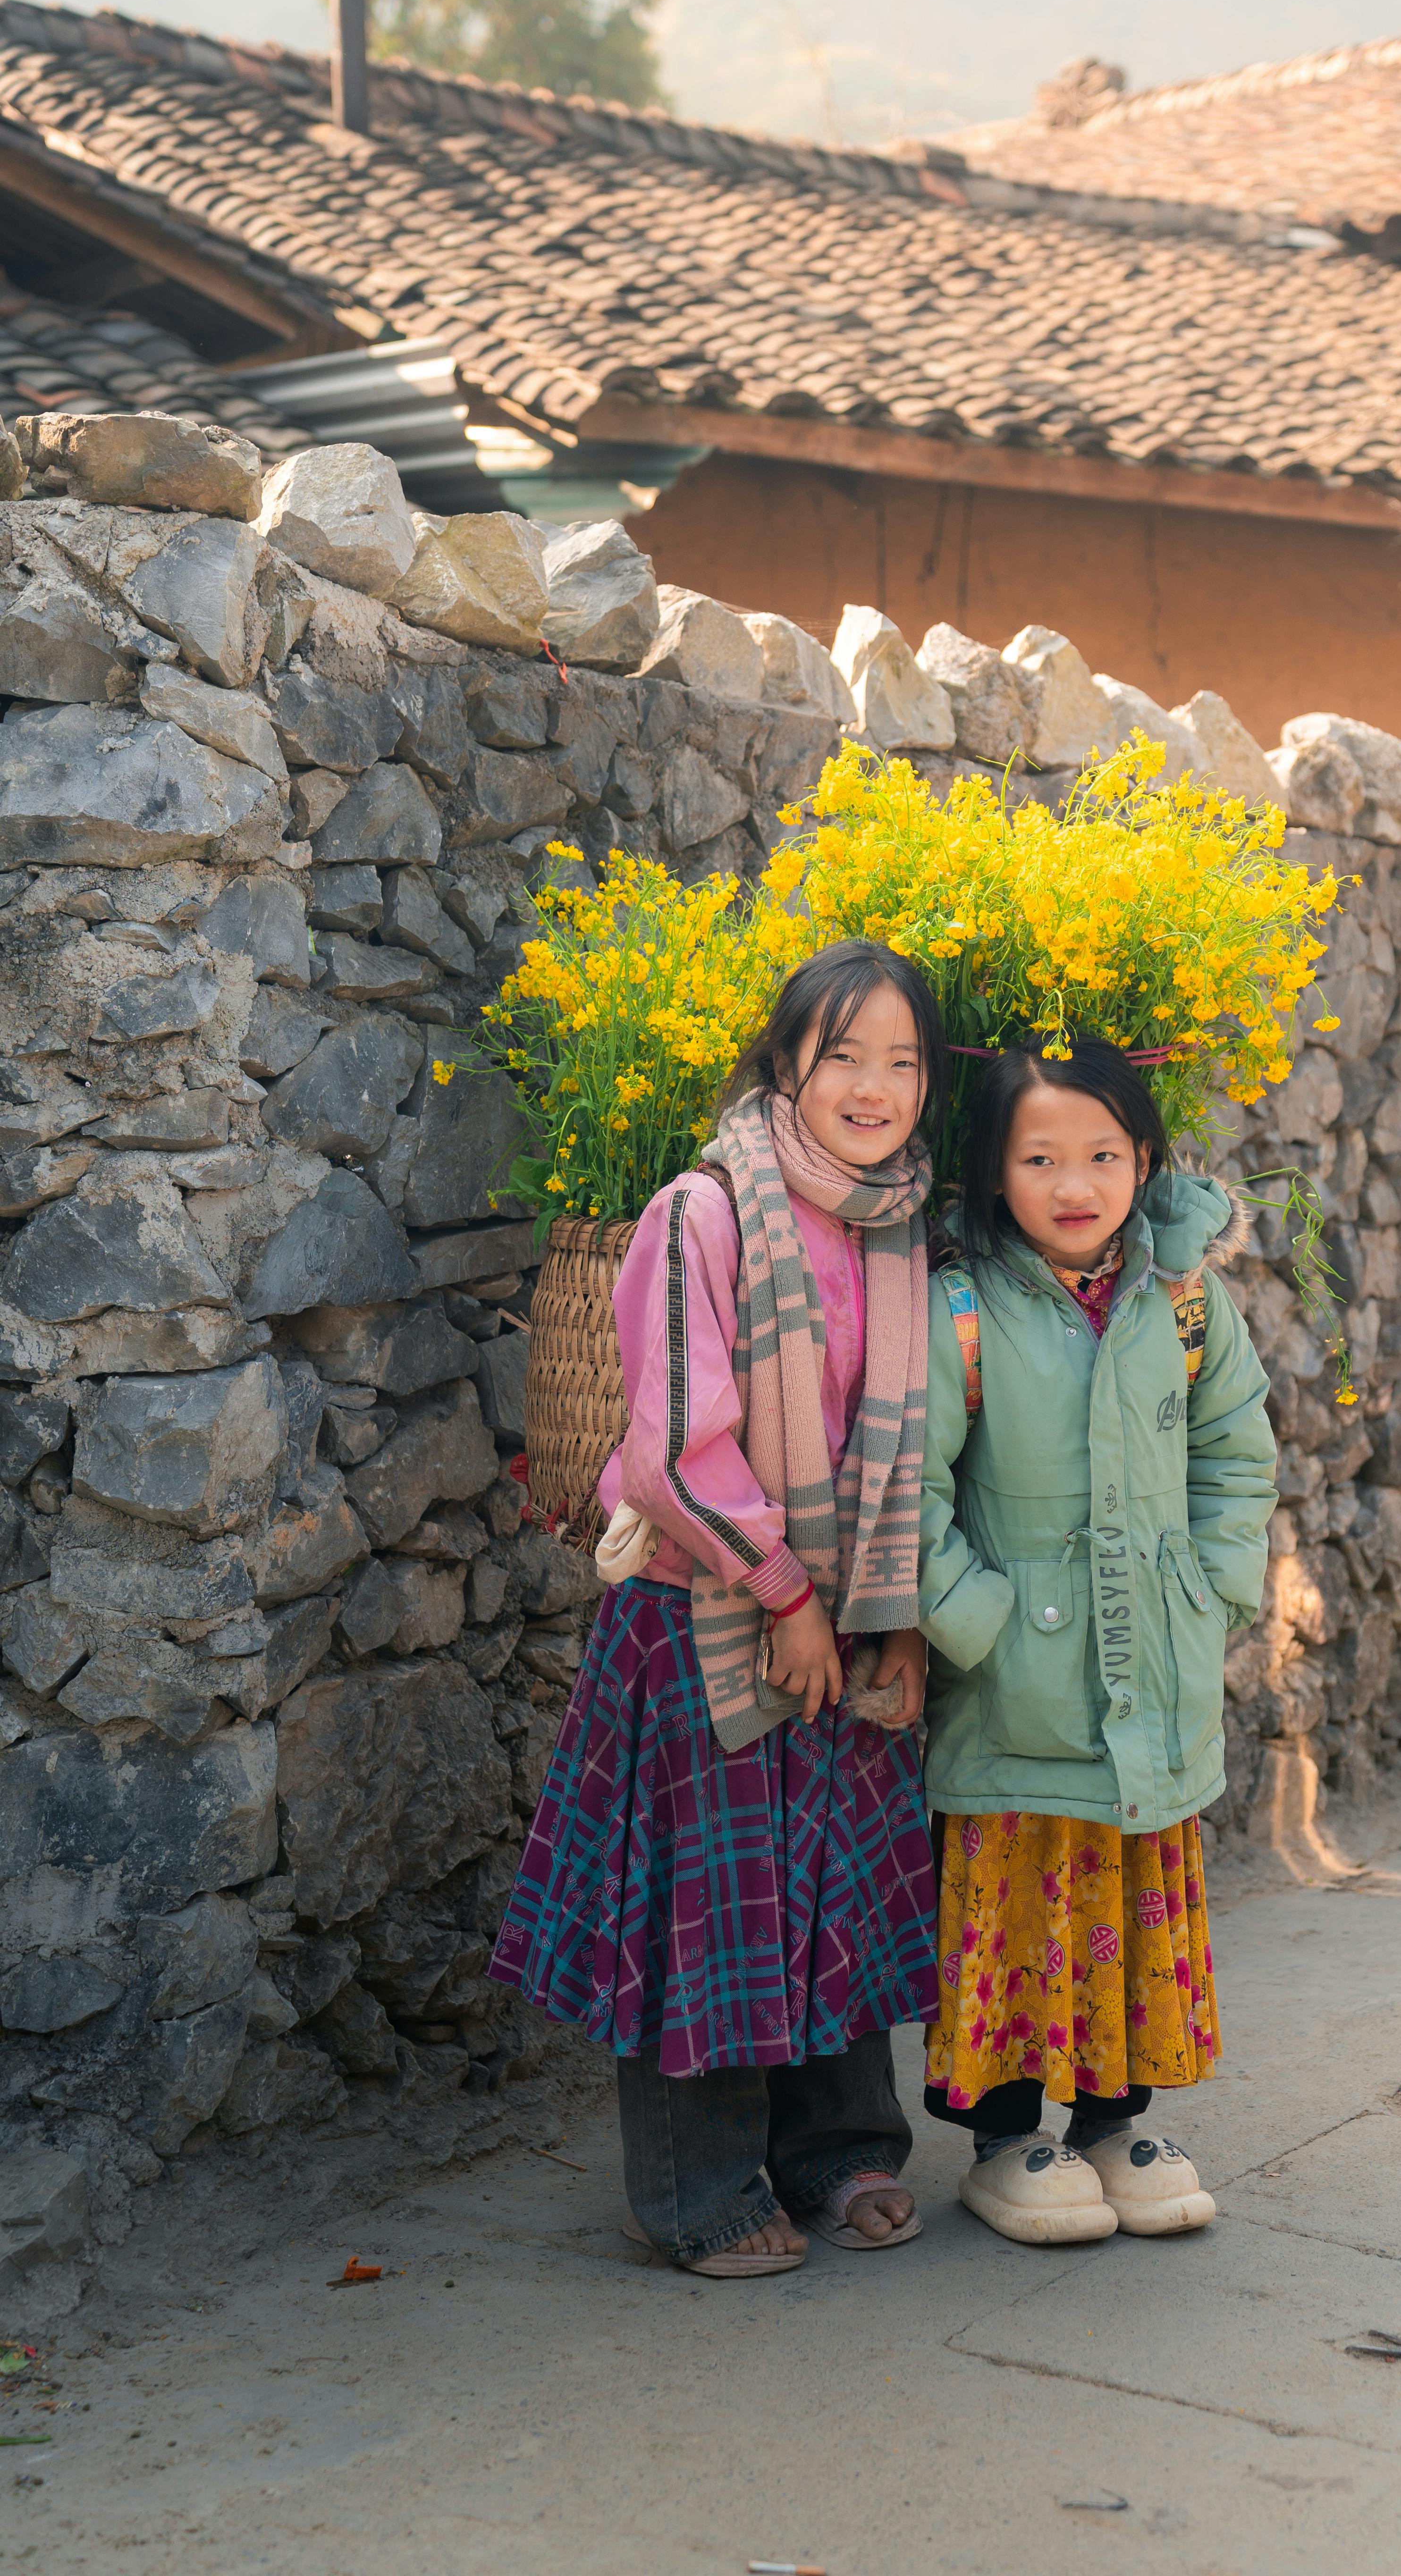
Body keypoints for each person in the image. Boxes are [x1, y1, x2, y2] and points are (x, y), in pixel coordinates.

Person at [490, 942, 945, 2278]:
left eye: (902, 1061)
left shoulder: (898, 1226)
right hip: (709, 1610)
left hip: (848, 1614)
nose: (873, 1087)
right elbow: (677, 1445)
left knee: (832, 1894)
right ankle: (698, 2191)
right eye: (842, 1055)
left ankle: (839, 2153)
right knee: (712, 1912)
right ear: (785, 1061)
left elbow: (914, 1441)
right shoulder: (704, 1210)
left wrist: (893, 1615)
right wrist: (786, 1592)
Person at [917, 1035, 1277, 2243]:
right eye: (1039, 1158)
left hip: (1152, 1672)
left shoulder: (1183, 1302)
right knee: (1015, 1902)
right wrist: (977, 1624)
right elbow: (909, 1494)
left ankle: (1114, 2125)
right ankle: (1006, 2139)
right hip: (1011, 1688)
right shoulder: (960, 1309)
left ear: (1144, 1161)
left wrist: (1212, 1589)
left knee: (1131, 1888)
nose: (1074, 1185)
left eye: (1103, 1155)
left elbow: (1235, 1451)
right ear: (991, 1169)